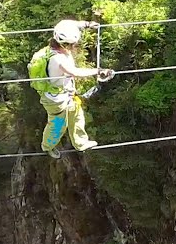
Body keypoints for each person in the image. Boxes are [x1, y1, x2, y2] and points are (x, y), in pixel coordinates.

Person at [28, 18, 115, 158]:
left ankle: (81, 143)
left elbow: (74, 25)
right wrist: (98, 71)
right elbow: (75, 72)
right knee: (58, 125)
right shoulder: (58, 59)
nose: (75, 46)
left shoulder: (61, 34)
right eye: (73, 44)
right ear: (65, 44)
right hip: (56, 99)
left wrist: (87, 24)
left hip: (66, 93)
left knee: (78, 116)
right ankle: (48, 146)